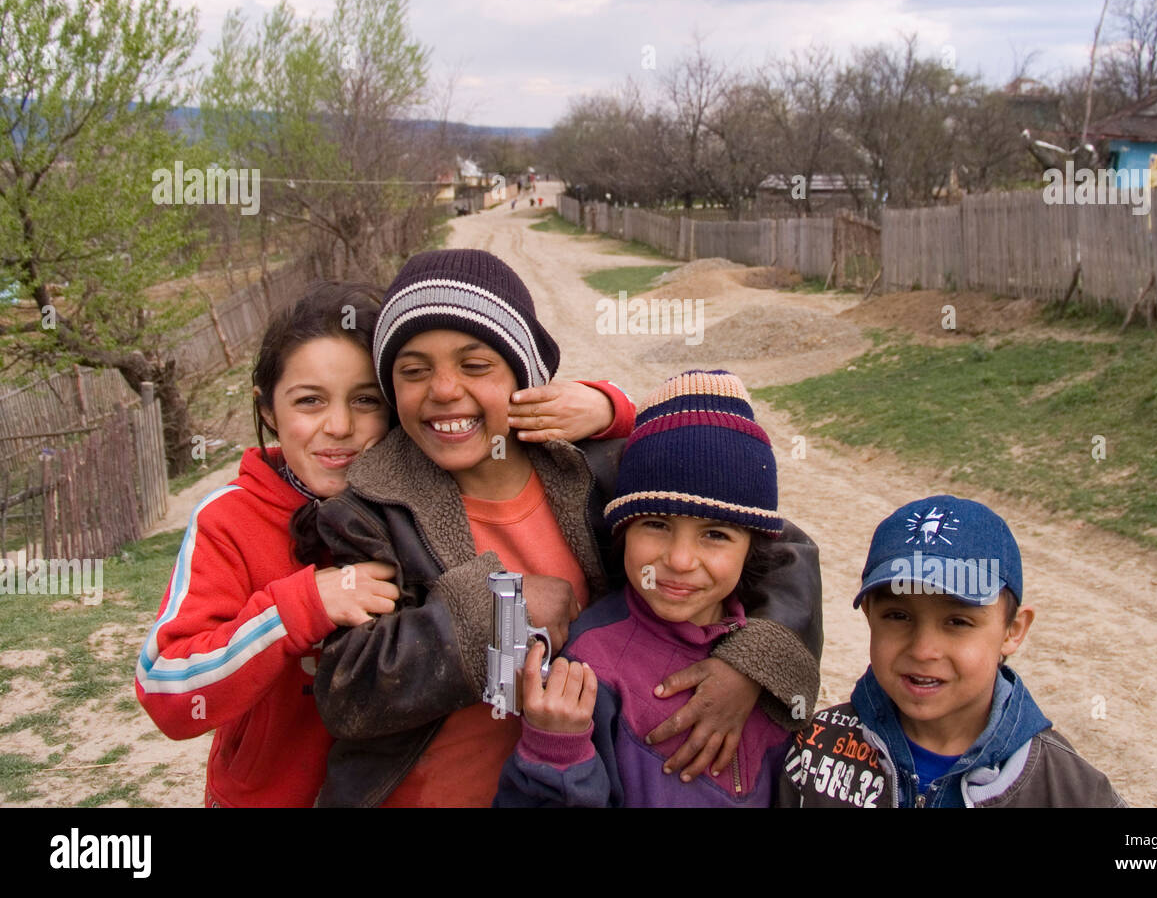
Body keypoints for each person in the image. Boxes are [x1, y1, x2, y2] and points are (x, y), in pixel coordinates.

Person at [299, 250, 822, 807]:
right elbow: (346, 689)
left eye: (476, 366)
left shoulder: (597, 468)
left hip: (584, 787)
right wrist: (502, 615)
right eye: (413, 370)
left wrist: (749, 667)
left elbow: (780, 547)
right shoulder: (369, 510)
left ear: (523, 374)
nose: (444, 390)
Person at [135, 279, 634, 807]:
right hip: (271, 795)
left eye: (365, 401)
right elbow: (166, 689)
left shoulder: (406, 503)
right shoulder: (232, 520)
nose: (340, 426)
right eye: (309, 401)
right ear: (267, 412)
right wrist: (301, 606)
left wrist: (610, 407)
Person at [495, 370, 815, 807]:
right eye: (656, 525)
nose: (680, 561)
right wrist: (557, 753)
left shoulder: (772, 660)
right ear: (621, 531)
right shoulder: (590, 668)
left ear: (752, 549)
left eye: (716, 534)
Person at [779, 495, 1126, 808]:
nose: (924, 649)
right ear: (870, 615)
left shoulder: (1067, 789)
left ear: (1013, 630)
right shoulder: (816, 748)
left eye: (958, 622)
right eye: (898, 616)